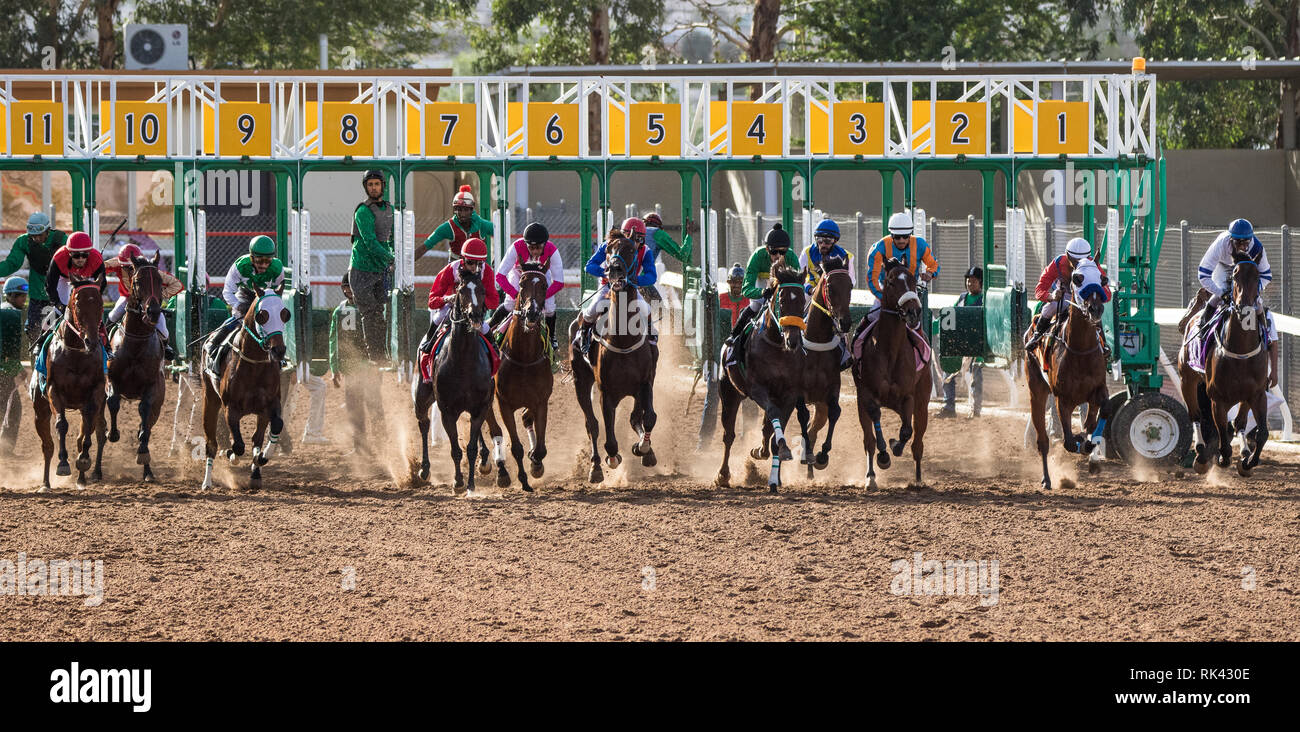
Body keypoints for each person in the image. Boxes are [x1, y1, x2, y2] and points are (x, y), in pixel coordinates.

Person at [206, 235, 287, 377]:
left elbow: (278, 293)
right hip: (244, 299)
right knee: (236, 321)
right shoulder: (239, 267)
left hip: (265, 301)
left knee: (275, 325)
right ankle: (214, 343)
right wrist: (240, 307)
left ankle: (282, 357)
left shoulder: (277, 268)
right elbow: (227, 292)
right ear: (251, 257)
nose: (263, 265)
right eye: (259, 260)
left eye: (267, 261)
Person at [722, 223, 802, 363]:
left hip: (784, 294)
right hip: (763, 291)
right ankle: (734, 340)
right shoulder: (757, 256)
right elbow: (746, 289)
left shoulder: (792, 257)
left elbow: (798, 285)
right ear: (767, 249)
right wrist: (763, 292)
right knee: (753, 308)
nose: (778, 256)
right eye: (774, 252)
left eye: (782, 252)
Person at [576, 228, 658, 355]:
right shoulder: (608, 245)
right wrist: (605, 273)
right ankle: (584, 334)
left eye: (639, 240)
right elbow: (589, 266)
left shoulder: (646, 251)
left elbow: (652, 276)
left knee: (646, 309)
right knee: (593, 309)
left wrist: (635, 280)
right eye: (631, 238)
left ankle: (650, 335)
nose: (635, 243)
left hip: (630, 288)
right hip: (608, 287)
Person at [329, 272, 385, 450]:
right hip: (351, 368)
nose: (350, 290)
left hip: (369, 367)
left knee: (374, 404)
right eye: (347, 287)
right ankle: (360, 447)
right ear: (344, 289)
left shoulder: (372, 309)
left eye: (353, 286)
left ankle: (381, 444)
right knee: (355, 408)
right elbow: (335, 340)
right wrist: (334, 367)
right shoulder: (341, 311)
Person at [1187, 218, 1273, 334]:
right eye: (1238, 243)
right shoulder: (1221, 243)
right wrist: (1221, 294)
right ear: (1230, 239)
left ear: (1251, 239)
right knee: (1221, 294)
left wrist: (1253, 290)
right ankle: (1203, 325)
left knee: (1255, 301)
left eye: (1246, 243)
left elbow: (1266, 276)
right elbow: (1203, 275)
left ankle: (1266, 333)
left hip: (1245, 269)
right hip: (1223, 266)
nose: (1242, 247)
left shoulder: (1257, 247)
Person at [1025, 237, 1110, 352]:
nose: (1080, 264)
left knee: (1095, 312)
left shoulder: (1092, 264)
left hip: (1084, 298)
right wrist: (1051, 296)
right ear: (1067, 256)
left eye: (1084, 259)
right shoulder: (1058, 263)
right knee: (1050, 308)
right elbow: (1039, 290)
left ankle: (1103, 344)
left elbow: (1107, 293)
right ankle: (1037, 336)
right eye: (1075, 261)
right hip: (1064, 296)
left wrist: (1099, 292)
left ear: (1089, 257)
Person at [490, 222, 565, 351]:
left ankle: (551, 337)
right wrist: (516, 294)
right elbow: (500, 276)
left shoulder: (552, 251)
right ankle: (490, 329)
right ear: (525, 244)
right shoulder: (516, 247)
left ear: (545, 244)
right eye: (531, 247)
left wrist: (541, 296)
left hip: (541, 277)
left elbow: (559, 282)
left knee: (550, 307)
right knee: (509, 304)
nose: (535, 251)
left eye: (539, 248)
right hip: (519, 274)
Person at [348, 169, 396, 365]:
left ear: (383, 185)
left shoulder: (390, 209)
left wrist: (392, 256)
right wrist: (391, 257)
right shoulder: (363, 211)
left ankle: (382, 354)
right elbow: (370, 242)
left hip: (380, 270)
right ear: (366, 187)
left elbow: (391, 238)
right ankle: (374, 356)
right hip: (361, 271)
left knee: (380, 313)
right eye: (370, 185)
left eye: (377, 184)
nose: (374, 188)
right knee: (370, 313)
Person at [104, 242, 183, 360]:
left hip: (147, 301)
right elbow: (101, 267)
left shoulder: (149, 270)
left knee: (163, 328)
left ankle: (166, 346)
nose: (129, 271)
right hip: (128, 298)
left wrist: (158, 295)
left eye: (131, 268)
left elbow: (177, 285)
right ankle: (105, 345)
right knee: (113, 314)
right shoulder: (119, 263)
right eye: (125, 267)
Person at [864, 212, 939, 327]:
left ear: (910, 235)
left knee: (915, 320)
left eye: (905, 237)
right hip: (887, 290)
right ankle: (858, 341)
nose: (901, 241)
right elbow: (872, 279)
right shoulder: (879, 248)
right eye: (897, 237)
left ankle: (922, 344)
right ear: (891, 235)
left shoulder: (920, 244)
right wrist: (882, 297)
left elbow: (934, 265)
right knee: (872, 316)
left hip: (909, 289)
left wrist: (929, 273)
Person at [0, 212, 66, 343]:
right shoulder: (23, 241)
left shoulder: (61, 239)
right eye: (33, 236)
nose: (36, 238)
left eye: (39, 235)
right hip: (37, 295)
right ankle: (37, 358)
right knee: (32, 329)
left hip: (60, 295)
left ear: (47, 231)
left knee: (61, 331)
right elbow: (13, 263)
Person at [424, 236, 498, 345]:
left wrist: (476, 301)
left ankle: (495, 353)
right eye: (470, 262)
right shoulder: (451, 269)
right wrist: (447, 299)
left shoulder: (486, 271)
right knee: (439, 317)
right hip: (451, 308)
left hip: (475, 311)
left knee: (485, 328)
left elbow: (494, 301)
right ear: (462, 259)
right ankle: (426, 347)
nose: (475, 268)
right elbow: (432, 302)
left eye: (479, 264)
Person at [939, 266, 985, 418]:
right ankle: (949, 406)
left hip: (977, 346)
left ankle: (975, 410)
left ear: (980, 282)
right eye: (968, 281)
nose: (970, 284)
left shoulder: (984, 300)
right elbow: (951, 315)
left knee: (976, 378)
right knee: (949, 370)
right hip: (960, 344)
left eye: (973, 281)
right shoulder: (962, 298)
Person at [418, 184, 494, 262]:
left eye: (466, 209)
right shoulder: (449, 227)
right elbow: (426, 245)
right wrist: (408, 262)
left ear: (472, 210)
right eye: (459, 209)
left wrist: (498, 258)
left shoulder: (481, 224)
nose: (463, 213)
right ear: (454, 210)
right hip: (456, 264)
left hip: (478, 265)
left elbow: (501, 233)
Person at [0, 276, 28, 455]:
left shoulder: (6, 311)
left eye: (25, 296)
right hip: (3, 373)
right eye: (20, 296)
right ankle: (5, 449)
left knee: (13, 408)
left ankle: (5, 449)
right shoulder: (9, 314)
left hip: (5, 373)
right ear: (10, 296)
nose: (24, 299)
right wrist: (19, 369)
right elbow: (7, 349)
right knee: (12, 409)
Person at [799, 218, 857, 293]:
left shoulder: (847, 256)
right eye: (819, 240)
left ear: (835, 241)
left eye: (828, 241)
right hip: (811, 291)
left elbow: (851, 281)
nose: (823, 244)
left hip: (835, 293)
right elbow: (798, 277)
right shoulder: (807, 252)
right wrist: (809, 289)